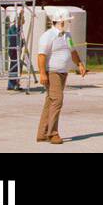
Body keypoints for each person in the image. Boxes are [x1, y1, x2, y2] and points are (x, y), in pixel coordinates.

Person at [36, 11, 86, 145]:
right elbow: (41, 56)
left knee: (51, 101)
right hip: (52, 72)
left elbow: (73, 51)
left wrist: (79, 64)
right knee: (57, 100)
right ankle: (52, 134)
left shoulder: (67, 36)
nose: (69, 23)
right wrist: (42, 73)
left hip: (63, 73)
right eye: (68, 21)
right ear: (60, 22)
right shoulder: (48, 36)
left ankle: (42, 133)